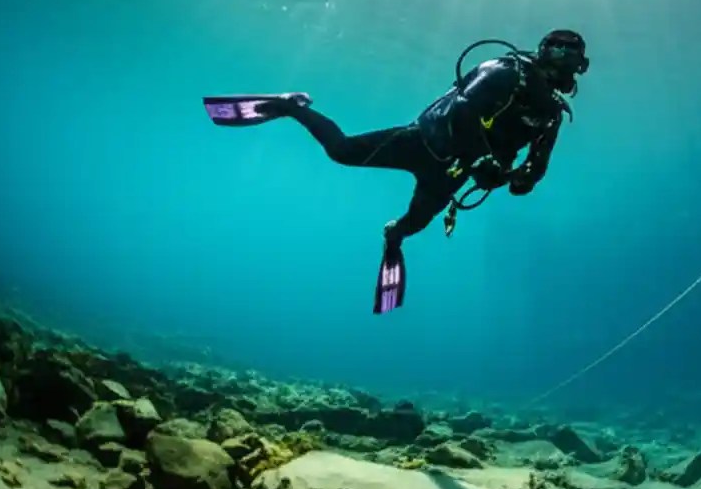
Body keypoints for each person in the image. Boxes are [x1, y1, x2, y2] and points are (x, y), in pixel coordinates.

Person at [203, 30, 590, 313]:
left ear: (580, 67)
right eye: (557, 48)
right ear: (541, 51)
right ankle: (291, 106)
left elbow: (537, 167)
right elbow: (463, 109)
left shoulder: (552, 115)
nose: (563, 58)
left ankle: (392, 237)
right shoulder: (506, 71)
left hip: (451, 175)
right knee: (342, 151)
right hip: (422, 141)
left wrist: (520, 179)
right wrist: (482, 161)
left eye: (572, 54)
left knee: (415, 224)